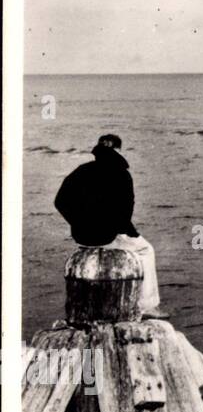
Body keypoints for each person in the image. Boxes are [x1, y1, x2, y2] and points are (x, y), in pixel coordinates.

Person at [54, 134, 161, 317]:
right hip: (107, 236)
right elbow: (125, 212)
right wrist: (126, 233)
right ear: (118, 150)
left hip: (82, 236)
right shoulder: (122, 174)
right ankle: (148, 306)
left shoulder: (82, 170)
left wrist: (79, 222)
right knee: (146, 250)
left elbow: (60, 201)